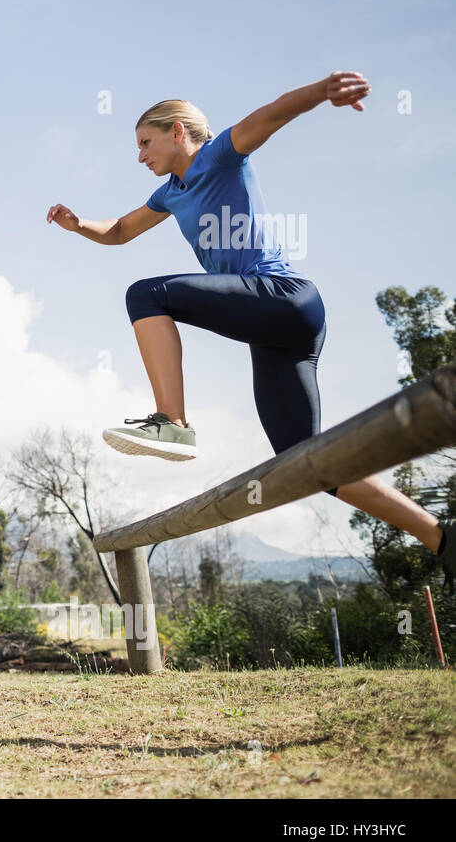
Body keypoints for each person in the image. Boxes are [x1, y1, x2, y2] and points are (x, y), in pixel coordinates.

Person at [45, 72, 453, 574]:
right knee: (308, 460)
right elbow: (124, 230)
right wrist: (79, 224)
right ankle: (440, 538)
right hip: (277, 330)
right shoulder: (170, 193)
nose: (139, 156)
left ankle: (172, 423)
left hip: (283, 298)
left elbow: (271, 115)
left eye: (145, 143)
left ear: (178, 132)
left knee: (146, 295)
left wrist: (320, 92)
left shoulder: (219, 154)